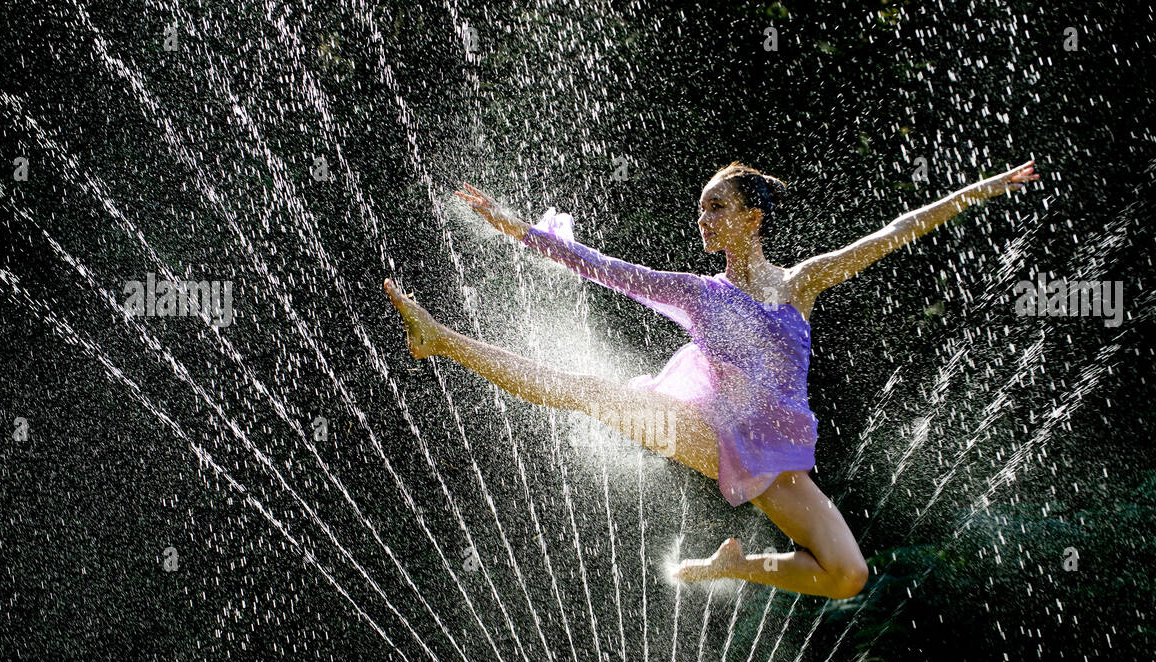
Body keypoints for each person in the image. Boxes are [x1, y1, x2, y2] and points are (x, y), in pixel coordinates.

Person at [385, 158, 1038, 599]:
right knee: (583, 390)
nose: (703, 220)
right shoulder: (698, 293)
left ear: (752, 218)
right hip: (711, 432)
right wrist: (513, 225)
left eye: (716, 207)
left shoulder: (798, 283)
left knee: (846, 574)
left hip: (779, 461)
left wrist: (978, 190)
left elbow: (894, 233)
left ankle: (732, 566)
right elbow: (599, 266)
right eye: (700, 210)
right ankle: (439, 338)